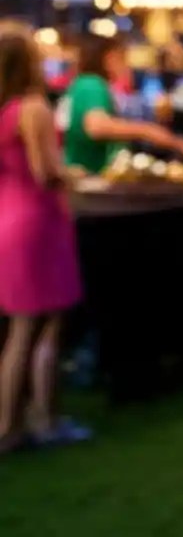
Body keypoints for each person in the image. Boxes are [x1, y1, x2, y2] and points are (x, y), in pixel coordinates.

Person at [0, 28, 90, 453]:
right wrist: (79, 176)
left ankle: (11, 426)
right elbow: (45, 172)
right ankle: (45, 419)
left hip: (8, 219)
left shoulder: (4, 109)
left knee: (20, 329)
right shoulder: (33, 108)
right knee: (45, 326)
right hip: (38, 222)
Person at [64, 34, 183, 173]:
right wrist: (148, 131)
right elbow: (96, 127)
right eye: (121, 57)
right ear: (108, 58)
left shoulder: (84, 83)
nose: (126, 65)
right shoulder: (92, 84)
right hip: (90, 177)